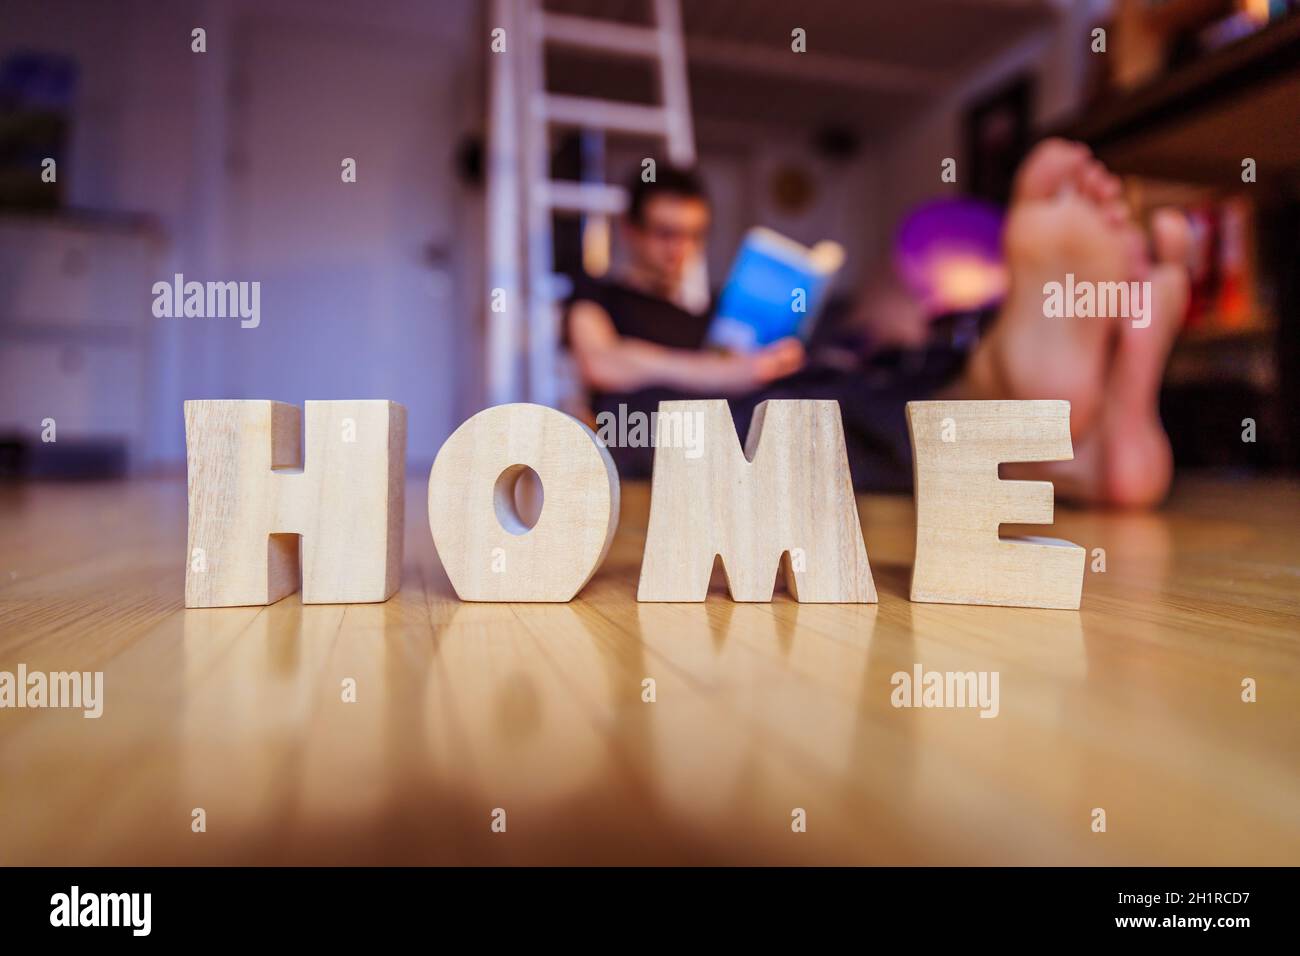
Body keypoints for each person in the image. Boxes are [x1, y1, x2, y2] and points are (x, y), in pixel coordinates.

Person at [564, 139, 1190, 508]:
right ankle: (1043, 425)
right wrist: (724, 370)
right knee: (809, 431)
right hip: (672, 424)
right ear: (631, 231)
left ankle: (1081, 446)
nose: (679, 250)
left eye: (694, 236)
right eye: (666, 234)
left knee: (852, 397)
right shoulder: (599, 295)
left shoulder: (712, 309)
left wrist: (770, 358)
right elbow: (602, 362)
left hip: (765, 394)